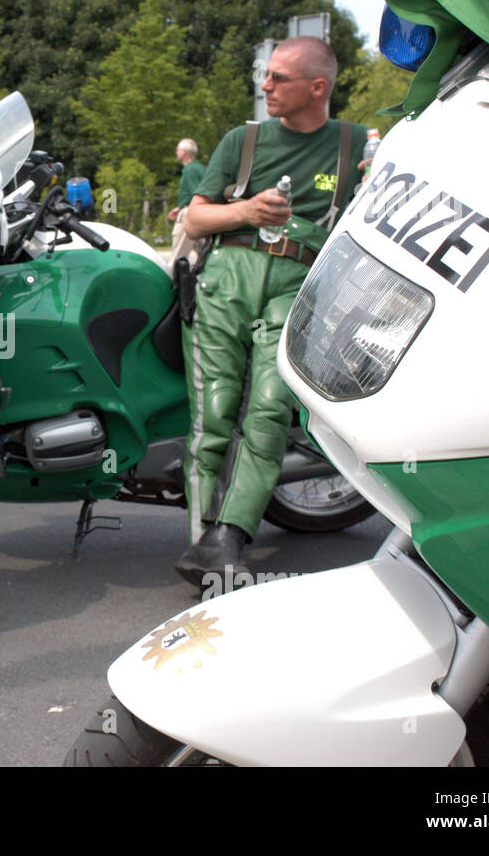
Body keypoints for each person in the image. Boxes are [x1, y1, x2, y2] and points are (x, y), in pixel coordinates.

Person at [174, 36, 365, 586]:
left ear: (318, 87)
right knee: (212, 414)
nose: (266, 86)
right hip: (227, 281)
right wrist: (247, 209)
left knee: (267, 411)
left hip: (297, 288)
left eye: (280, 77)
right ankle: (199, 545)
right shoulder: (243, 140)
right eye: (267, 76)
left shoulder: (353, 148)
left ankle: (228, 537)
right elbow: (194, 221)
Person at [167, 138, 205, 255]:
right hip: (198, 212)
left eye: (178, 149)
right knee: (203, 252)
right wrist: (179, 207)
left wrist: (184, 207)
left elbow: (196, 193)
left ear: (184, 152)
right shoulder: (198, 167)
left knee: (177, 253)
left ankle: (173, 273)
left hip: (189, 213)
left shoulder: (190, 170)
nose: (176, 152)